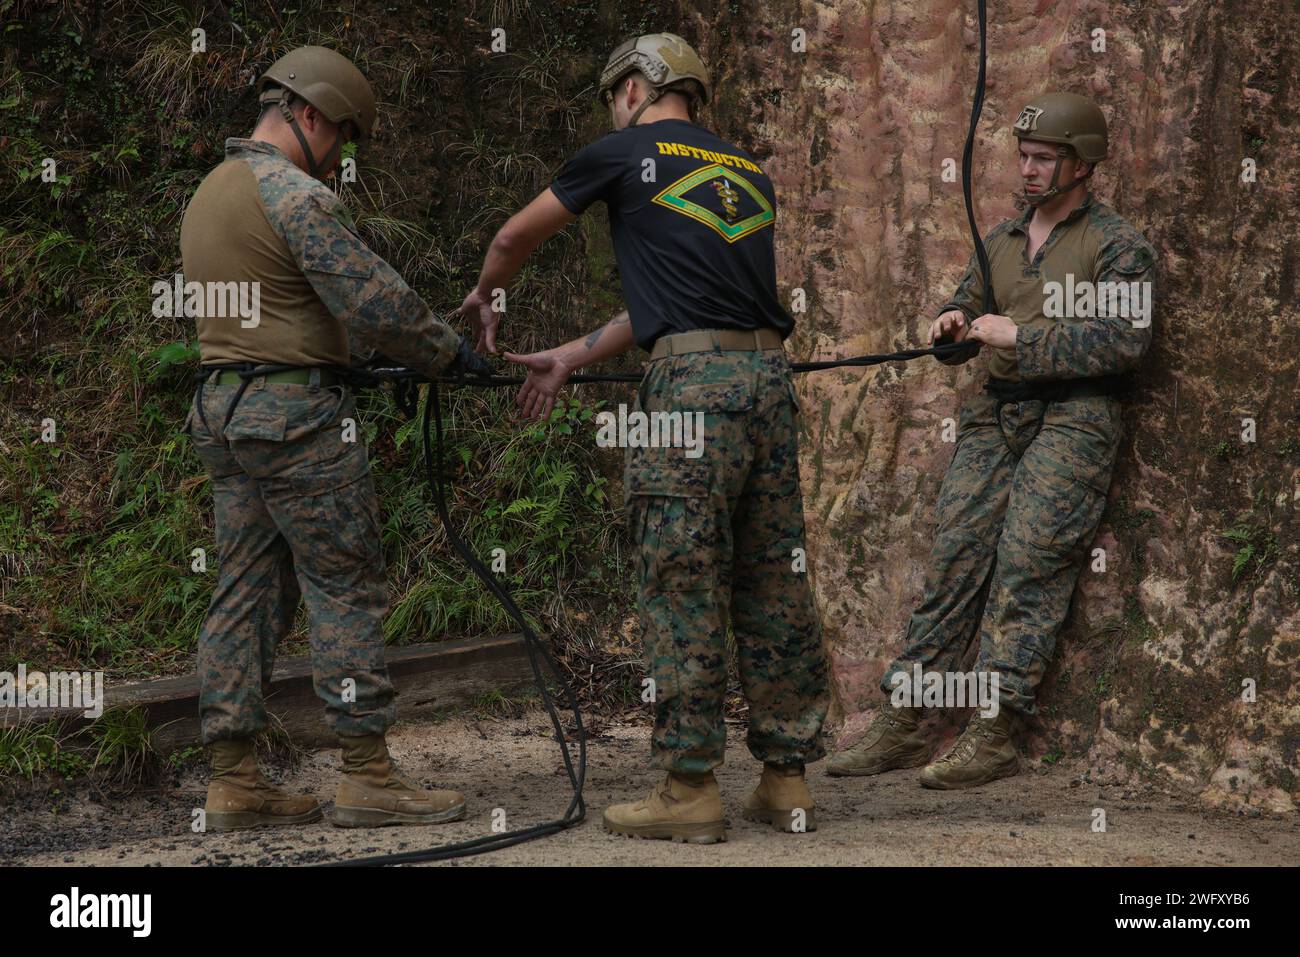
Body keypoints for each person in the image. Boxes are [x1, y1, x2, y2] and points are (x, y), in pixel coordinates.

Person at [458, 32, 830, 843]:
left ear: (636, 87)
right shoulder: (744, 171)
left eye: (613, 92)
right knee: (772, 579)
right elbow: (684, 303)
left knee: (682, 575)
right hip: (768, 387)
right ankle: (787, 777)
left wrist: (488, 294)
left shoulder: (623, 153)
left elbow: (515, 237)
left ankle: (690, 784)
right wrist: (572, 354)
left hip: (692, 397)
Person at [180, 45, 488, 830]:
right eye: (343, 136)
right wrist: (449, 355)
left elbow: (271, 312)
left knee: (244, 590)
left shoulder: (210, 193)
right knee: (343, 586)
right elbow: (372, 299)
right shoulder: (293, 194)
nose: (341, 156)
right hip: (296, 424)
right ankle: (366, 773)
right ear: (309, 113)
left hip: (226, 415)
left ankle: (232, 778)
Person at [827, 92, 1157, 788]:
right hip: (996, 413)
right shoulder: (1003, 240)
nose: (1029, 170)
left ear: (1081, 164)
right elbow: (967, 307)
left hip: (1075, 417)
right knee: (955, 554)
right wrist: (950, 326)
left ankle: (994, 729)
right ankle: (909, 718)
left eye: (1043, 159)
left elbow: (1127, 339)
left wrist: (1024, 337)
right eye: (1025, 157)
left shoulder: (1119, 245)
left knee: (1028, 560)